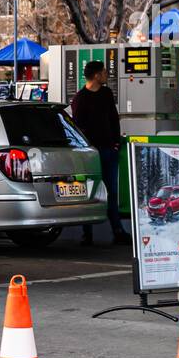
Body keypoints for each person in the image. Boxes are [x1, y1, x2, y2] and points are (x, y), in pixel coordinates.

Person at [70, 60, 131, 246]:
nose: (106, 75)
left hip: (107, 150)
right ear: (96, 75)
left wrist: (115, 143)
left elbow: (113, 119)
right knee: (90, 191)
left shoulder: (106, 94)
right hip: (90, 153)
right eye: (104, 72)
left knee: (111, 191)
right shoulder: (80, 99)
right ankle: (87, 233)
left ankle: (118, 231)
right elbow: (78, 129)